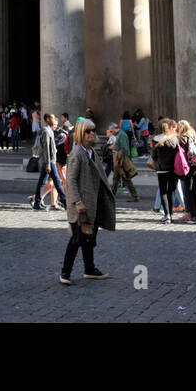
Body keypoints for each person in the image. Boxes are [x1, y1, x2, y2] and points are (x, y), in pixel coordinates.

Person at [59, 120, 114, 285]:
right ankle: (65, 273)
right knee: (77, 239)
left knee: (89, 238)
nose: (91, 134)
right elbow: (71, 180)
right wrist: (77, 202)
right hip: (81, 205)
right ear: (81, 134)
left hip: (92, 204)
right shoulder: (77, 153)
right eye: (87, 131)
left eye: (93, 130)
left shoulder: (91, 152)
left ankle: (89, 269)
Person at [149, 119, 181, 224]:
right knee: (171, 191)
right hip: (173, 168)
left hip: (161, 169)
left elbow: (154, 156)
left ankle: (166, 215)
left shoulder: (155, 140)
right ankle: (171, 214)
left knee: (163, 192)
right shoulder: (174, 139)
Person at [31, 114, 64, 211]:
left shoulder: (50, 131)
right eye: (54, 124)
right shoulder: (46, 131)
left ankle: (37, 203)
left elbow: (50, 147)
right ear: (49, 121)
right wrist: (48, 164)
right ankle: (65, 202)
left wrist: (54, 150)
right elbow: (46, 150)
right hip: (49, 161)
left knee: (43, 183)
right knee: (57, 182)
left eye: (57, 124)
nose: (56, 126)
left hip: (50, 160)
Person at [177, 120, 196, 223]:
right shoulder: (194, 137)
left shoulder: (182, 139)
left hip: (188, 167)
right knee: (195, 191)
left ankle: (193, 216)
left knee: (189, 192)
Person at [109, 123, 139, 202]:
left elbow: (124, 149)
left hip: (121, 160)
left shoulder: (121, 135)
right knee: (117, 178)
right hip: (119, 159)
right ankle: (112, 194)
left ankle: (134, 195)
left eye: (112, 131)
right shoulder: (120, 134)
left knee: (125, 178)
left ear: (115, 129)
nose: (111, 133)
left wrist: (120, 160)